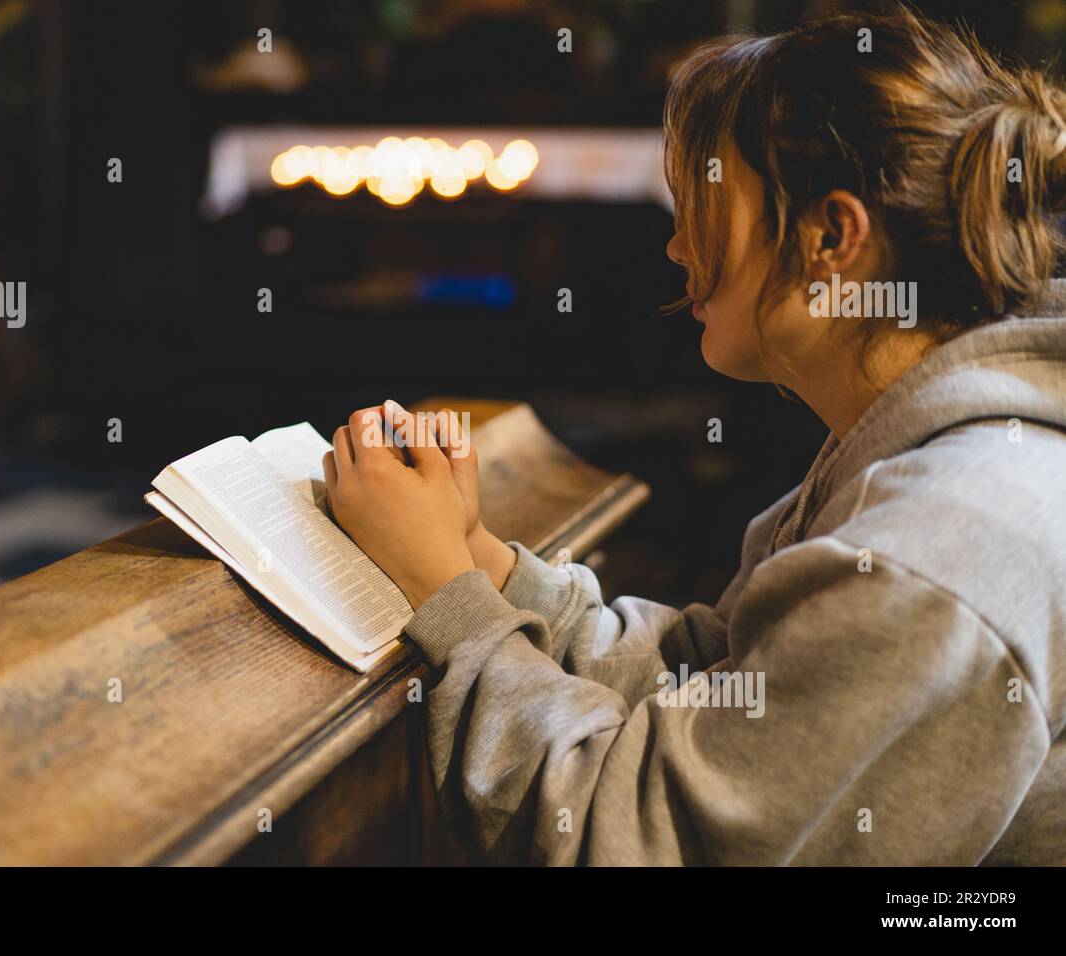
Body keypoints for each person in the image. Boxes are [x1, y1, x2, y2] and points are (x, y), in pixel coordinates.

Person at [322, 9, 1066, 865]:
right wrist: (481, 561)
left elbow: (632, 838)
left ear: (833, 237)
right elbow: (718, 683)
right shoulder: (926, 446)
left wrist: (441, 591)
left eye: (708, 207)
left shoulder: (941, 543)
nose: (676, 246)